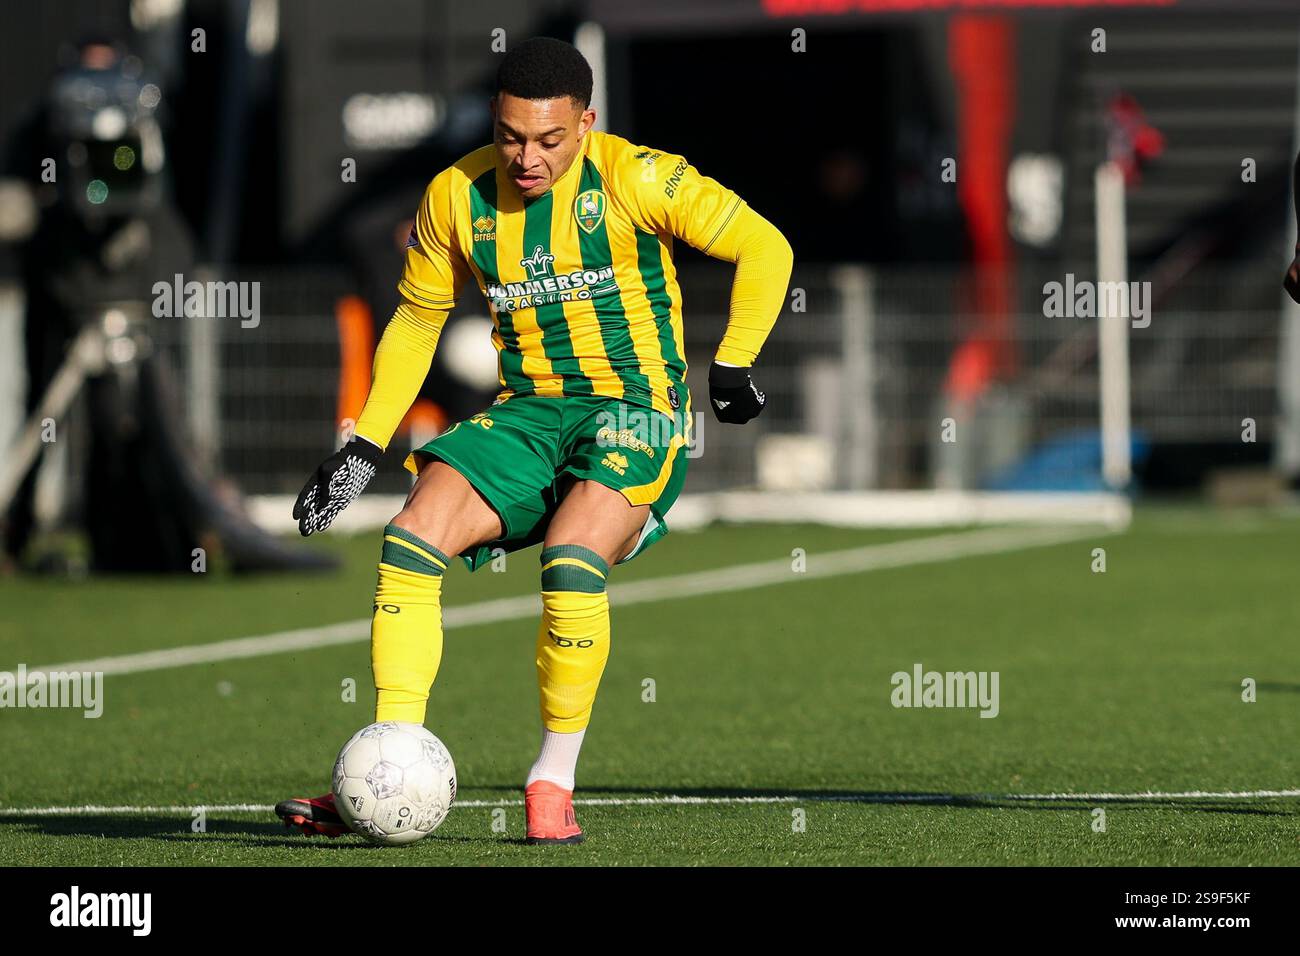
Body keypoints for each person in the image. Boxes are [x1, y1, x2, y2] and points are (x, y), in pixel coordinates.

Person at [276, 36, 792, 844]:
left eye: (549, 140)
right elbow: (417, 319)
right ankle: (389, 762)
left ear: (585, 122)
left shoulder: (639, 175)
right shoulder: (454, 195)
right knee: (409, 536)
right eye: (513, 136)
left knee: (572, 555)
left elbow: (765, 245)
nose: (527, 157)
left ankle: (551, 781)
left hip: (634, 411)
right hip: (526, 411)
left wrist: (733, 362)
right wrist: (365, 446)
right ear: (495, 120)